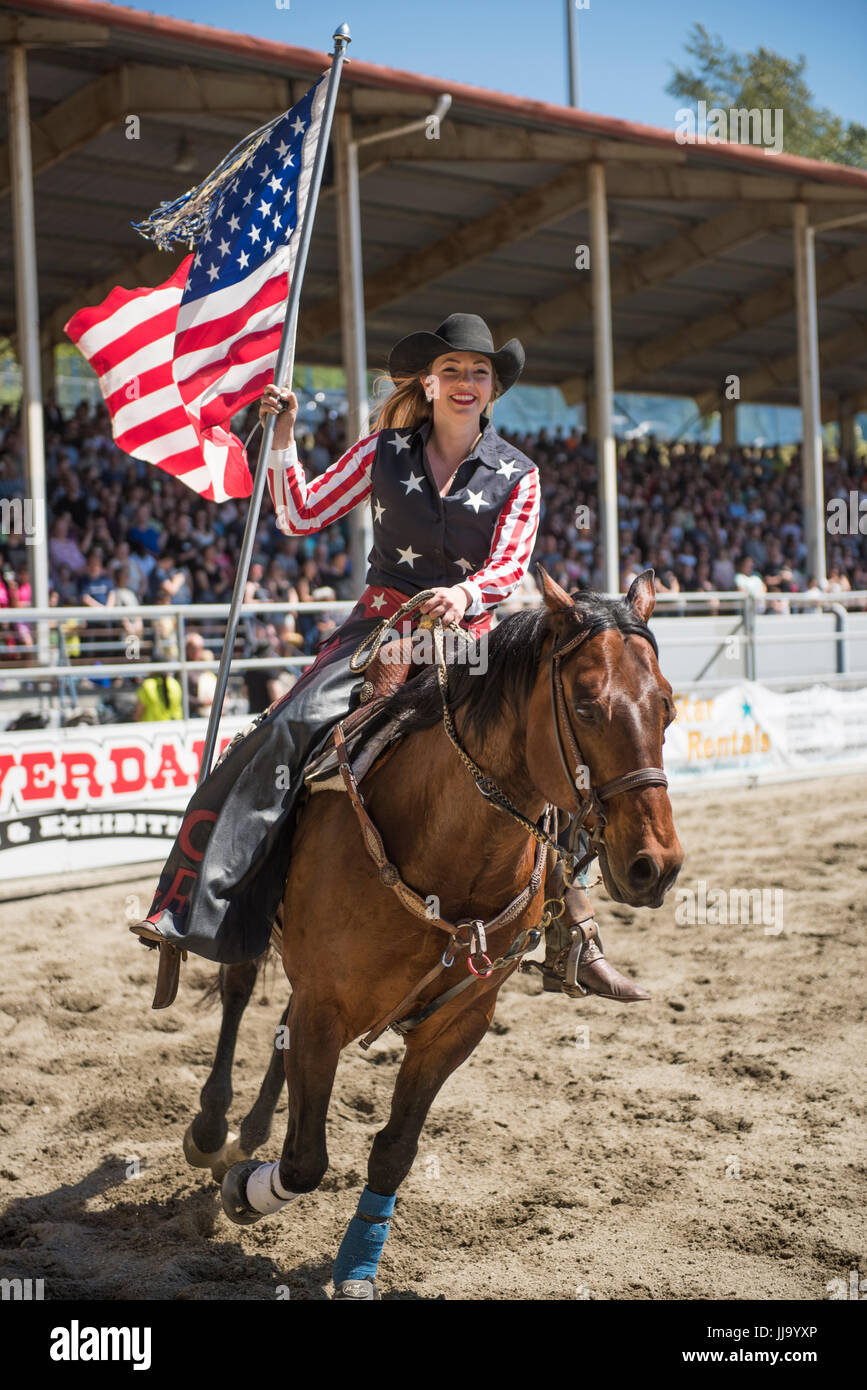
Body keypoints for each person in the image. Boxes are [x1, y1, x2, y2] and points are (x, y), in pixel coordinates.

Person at [132, 313, 644, 1002]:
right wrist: (281, 440)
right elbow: (299, 512)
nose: (465, 383)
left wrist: (462, 594)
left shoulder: (518, 474)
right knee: (283, 730)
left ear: (492, 390)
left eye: (479, 373)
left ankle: (573, 939)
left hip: (473, 642)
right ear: (428, 383)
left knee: (550, 752)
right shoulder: (382, 452)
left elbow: (509, 565)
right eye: (453, 371)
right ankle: (199, 900)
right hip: (382, 628)